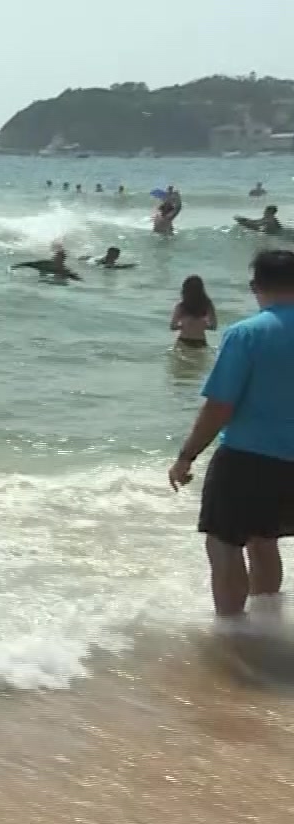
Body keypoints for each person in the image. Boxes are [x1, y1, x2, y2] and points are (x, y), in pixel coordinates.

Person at [168, 250, 294, 617]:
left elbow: (220, 406)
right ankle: (268, 623)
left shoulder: (247, 334)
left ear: (256, 287)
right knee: (265, 540)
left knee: (225, 545)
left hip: (247, 458)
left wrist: (186, 455)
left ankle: (233, 634)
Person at [172, 275, 219, 348]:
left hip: (183, 341)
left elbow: (172, 327)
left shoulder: (181, 306)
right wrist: (201, 325)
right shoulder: (207, 305)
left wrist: (184, 325)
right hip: (200, 342)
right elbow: (213, 327)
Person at [12, 248, 82, 282]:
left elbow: (75, 277)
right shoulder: (44, 263)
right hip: (44, 280)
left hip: (52, 281)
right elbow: (28, 264)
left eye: (61, 258)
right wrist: (15, 266)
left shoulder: (65, 269)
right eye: (57, 257)